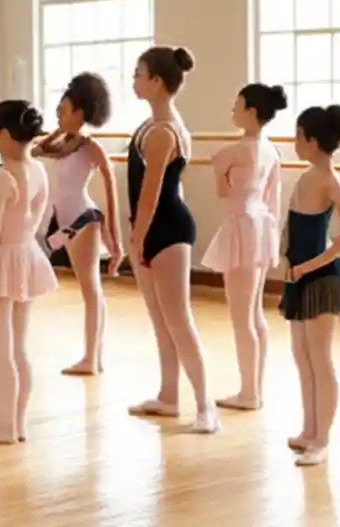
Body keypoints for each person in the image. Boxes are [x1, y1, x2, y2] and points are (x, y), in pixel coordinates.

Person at [125, 46, 218, 434]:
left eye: (138, 73)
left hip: (167, 231)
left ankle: (205, 406)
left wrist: (137, 237)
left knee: (178, 319)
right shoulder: (153, 125)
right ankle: (168, 396)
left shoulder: (164, 131)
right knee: (160, 319)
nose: (134, 80)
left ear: (157, 82)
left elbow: (151, 194)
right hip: (155, 228)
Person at [0, 100, 59, 445]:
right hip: (27, 256)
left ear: (4, 133)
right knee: (19, 349)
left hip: (2, 260)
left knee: (1, 352)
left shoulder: (2, 176)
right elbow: (38, 221)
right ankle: (17, 424)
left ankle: (6, 426)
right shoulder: (39, 170)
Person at [283, 105, 340, 466]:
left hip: (321, 278)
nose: (294, 142)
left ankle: (322, 438)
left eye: (298, 136)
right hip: (299, 274)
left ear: (312, 141)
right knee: (301, 356)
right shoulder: (307, 176)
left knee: (319, 358)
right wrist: (289, 261)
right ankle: (308, 429)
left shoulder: (329, 179)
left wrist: (311, 265)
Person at [201, 83, 287, 411]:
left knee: (242, 316)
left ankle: (249, 392)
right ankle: (254, 389)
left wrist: (221, 172)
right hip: (262, 226)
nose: (232, 111)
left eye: (237, 106)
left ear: (251, 112)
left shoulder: (235, 152)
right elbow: (272, 198)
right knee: (253, 313)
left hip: (242, 226)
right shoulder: (271, 150)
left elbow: (222, 191)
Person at [34, 73, 122, 376]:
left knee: (90, 289)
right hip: (68, 220)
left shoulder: (89, 147)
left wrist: (114, 236)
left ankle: (91, 357)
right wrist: (58, 129)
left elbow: (110, 182)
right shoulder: (64, 143)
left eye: (65, 110)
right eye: (58, 110)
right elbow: (35, 151)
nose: (59, 114)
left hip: (84, 219)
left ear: (82, 113)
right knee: (89, 289)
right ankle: (92, 356)